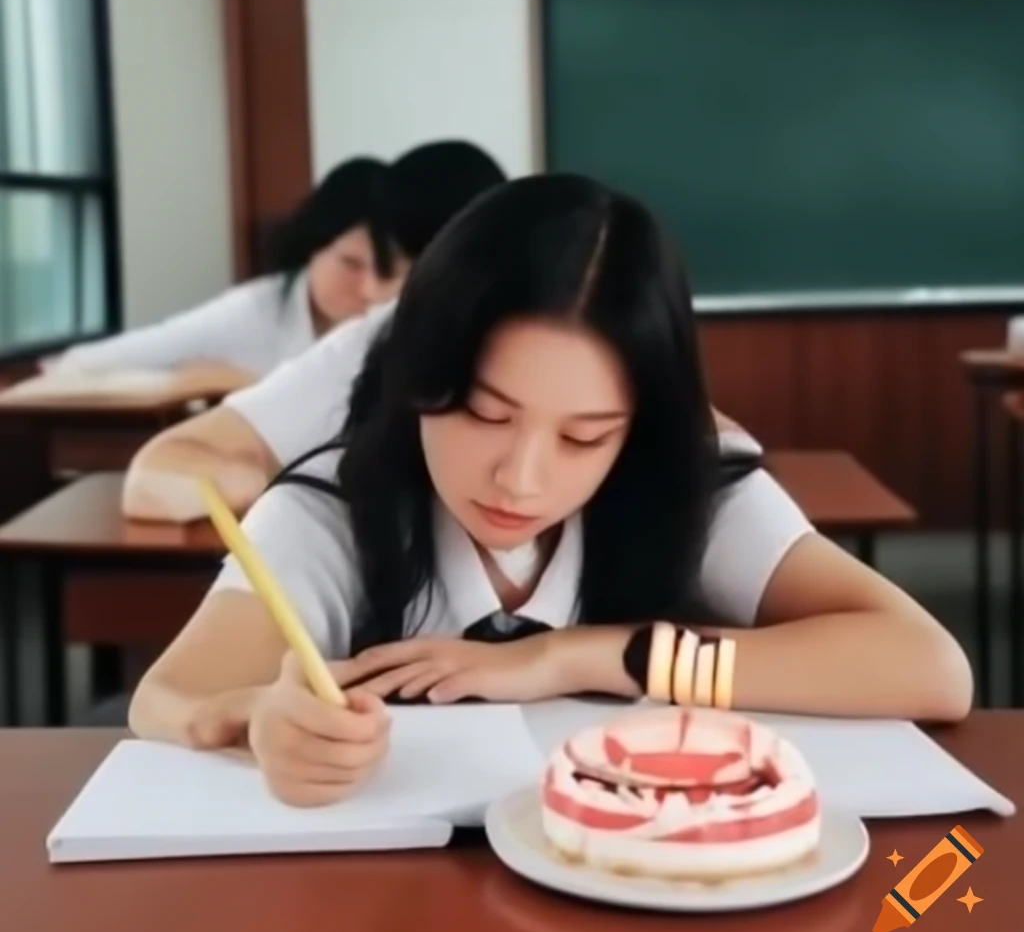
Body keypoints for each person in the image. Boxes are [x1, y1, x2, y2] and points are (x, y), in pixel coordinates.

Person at [128, 175, 972, 806]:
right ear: (417, 375)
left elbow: (930, 669)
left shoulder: (684, 489)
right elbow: (168, 698)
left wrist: (575, 657)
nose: (521, 479)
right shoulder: (331, 513)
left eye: (584, 436)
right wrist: (257, 723)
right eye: (485, 415)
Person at [120, 140, 508, 521]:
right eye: (355, 264)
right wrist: (292, 495)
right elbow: (163, 465)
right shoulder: (375, 338)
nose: (372, 290)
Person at [46, 157, 408, 388]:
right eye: (350, 264)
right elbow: (83, 365)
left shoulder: (397, 315)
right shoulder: (252, 310)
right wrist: (192, 381)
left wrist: (250, 380)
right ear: (313, 245)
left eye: (386, 271)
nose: (370, 289)